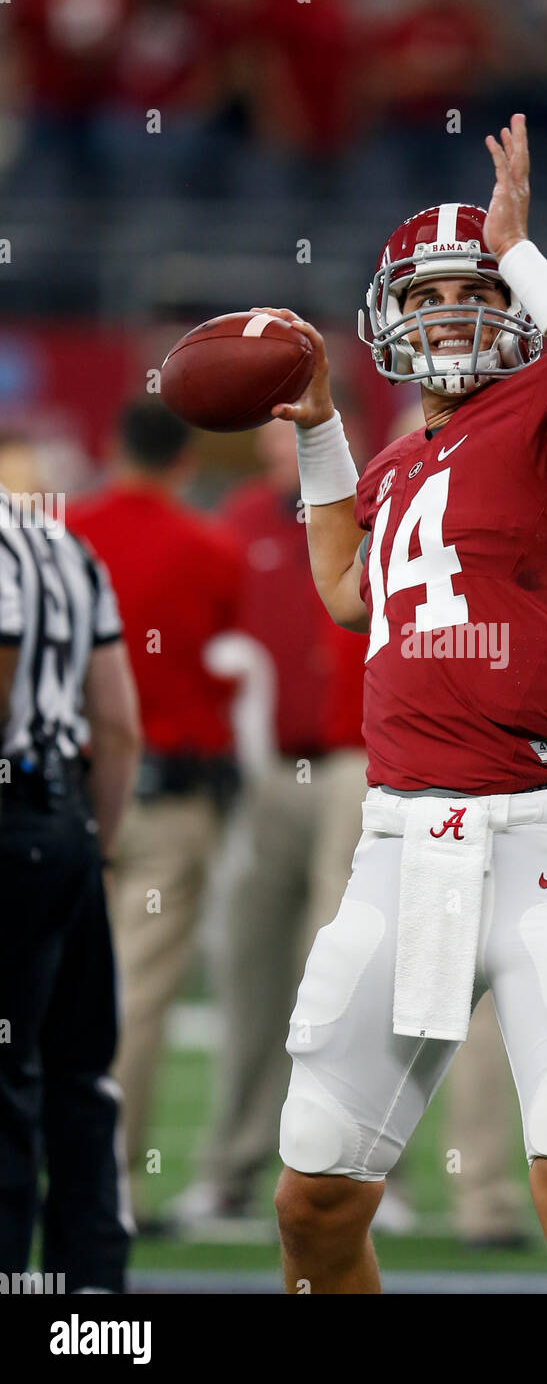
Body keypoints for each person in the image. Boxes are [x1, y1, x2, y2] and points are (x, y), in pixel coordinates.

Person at [261, 113, 547, 1294]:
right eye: (427, 295)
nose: (448, 312)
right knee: (315, 1202)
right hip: (402, 842)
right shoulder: (397, 463)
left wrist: (522, 252)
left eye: (471, 289)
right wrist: (326, 432)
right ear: (392, 313)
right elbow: (345, 591)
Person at [166, 417, 368, 1228]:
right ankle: (231, 1165)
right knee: (250, 977)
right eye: (268, 433)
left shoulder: (375, 506)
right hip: (262, 771)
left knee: (346, 982)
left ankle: (359, 1173)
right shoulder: (241, 520)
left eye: (287, 430)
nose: (267, 448)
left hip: (356, 764)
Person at [67, 401, 243, 1220]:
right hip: (167, 799)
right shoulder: (209, 547)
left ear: (109, 446)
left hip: (58, 794)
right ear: (185, 463)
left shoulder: (57, 535)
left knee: (34, 989)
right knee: (132, 999)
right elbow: (231, 672)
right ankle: (106, 1184)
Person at [0, 458, 141, 1292]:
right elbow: (118, 726)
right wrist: (100, 848)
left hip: (13, 814)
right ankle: (90, 1304)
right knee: (78, 1073)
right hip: (69, 823)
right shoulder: (63, 543)